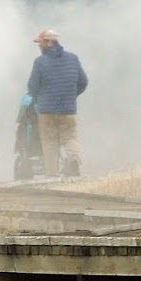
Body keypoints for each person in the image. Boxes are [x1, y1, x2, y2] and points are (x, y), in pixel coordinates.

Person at [25, 28, 87, 176]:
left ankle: (52, 174)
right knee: (69, 138)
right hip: (68, 109)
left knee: (49, 142)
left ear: (48, 42)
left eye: (40, 43)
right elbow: (83, 82)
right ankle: (73, 160)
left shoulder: (40, 62)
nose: (39, 46)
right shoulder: (73, 58)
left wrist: (36, 99)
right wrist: (71, 95)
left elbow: (32, 86)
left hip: (46, 110)